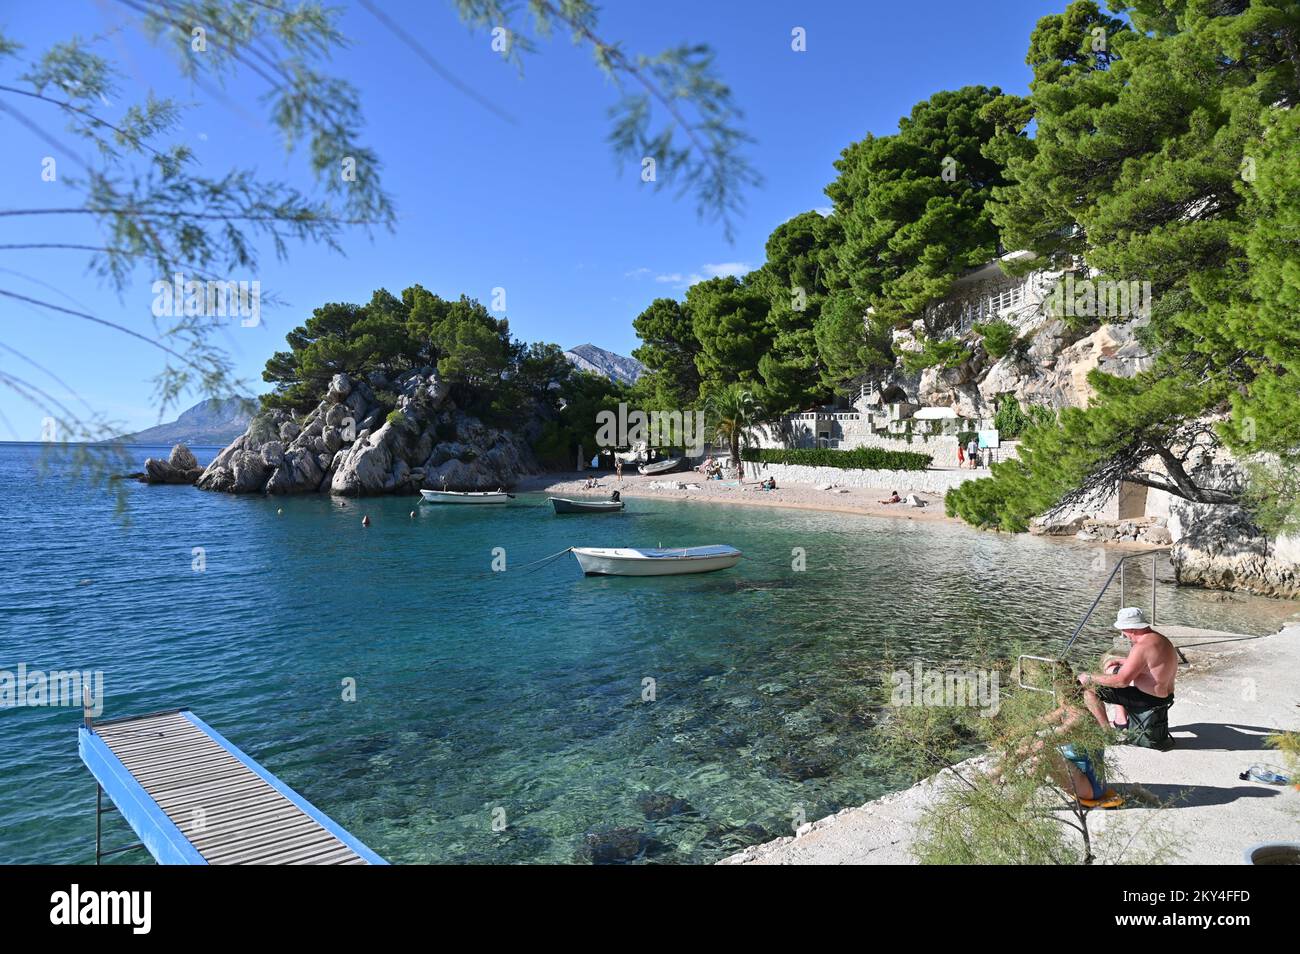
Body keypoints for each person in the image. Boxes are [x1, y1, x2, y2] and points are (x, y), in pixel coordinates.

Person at [1078, 607, 1177, 732]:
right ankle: (1121, 720)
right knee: (1112, 670)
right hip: (1167, 694)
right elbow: (1153, 664)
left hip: (1150, 698)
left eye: (1123, 629)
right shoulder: (1160, 639)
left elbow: (1121, 682)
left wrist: (1089, 677)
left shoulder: (1141, 647)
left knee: (1089, 691)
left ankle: (1106, 733)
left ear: (1132, 629)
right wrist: (1122, 661)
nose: (1123, 633)